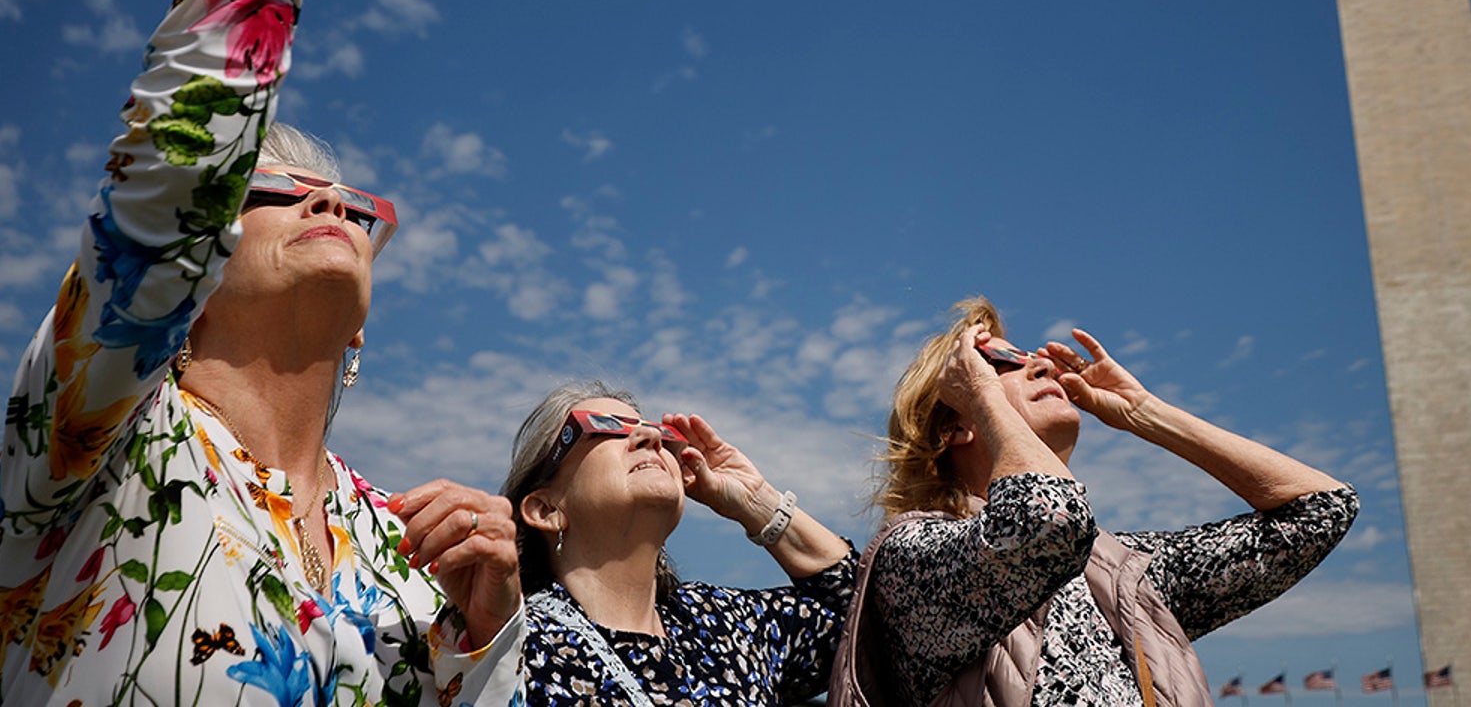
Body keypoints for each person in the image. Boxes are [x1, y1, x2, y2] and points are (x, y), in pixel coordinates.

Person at [0, 0, 529, 707]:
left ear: (365, 327)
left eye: (355, 205)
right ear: (189, 269)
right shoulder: (102, 439)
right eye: (275, 190)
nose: (329, 202)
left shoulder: (398, 544)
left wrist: (479, 637)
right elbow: (172, 175)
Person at [831, 297, 1359, 707]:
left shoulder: (1119, 573)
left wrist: (1146, 413)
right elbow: (1043, 525)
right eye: (1005, 361)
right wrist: (986, 399)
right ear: (955, 425)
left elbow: (1319, 511)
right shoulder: (913, 554)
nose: (1041, 364)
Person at [499, 381, 856, 705]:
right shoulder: (509, 647)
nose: (649, 439)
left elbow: (871, 615)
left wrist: (759, 504)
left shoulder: (723, 624)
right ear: (546, 510)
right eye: (605, 427)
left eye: (658, 432)